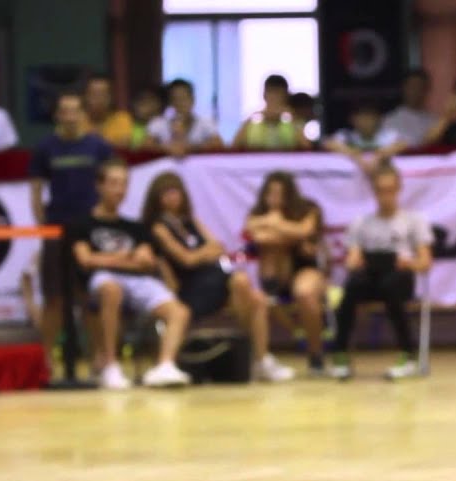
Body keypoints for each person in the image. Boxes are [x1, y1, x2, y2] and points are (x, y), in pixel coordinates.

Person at [141, 172, 294, 382]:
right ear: (156, 197)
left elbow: (219, 247)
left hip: (214, 279)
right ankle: (252, 350)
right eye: (166, 194)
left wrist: (201, 255)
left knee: (255, 296)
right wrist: (203, 254)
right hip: (190, 287)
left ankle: (261, 359)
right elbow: (185, 260)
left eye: (175, 192)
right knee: (241, 283)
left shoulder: (190, 220)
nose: (172, 198)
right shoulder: (159, 227)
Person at [67, 159, 192, 390]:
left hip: (138, 281)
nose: (119, 190)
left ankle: (165, 365)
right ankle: (110, 365)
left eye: (124, 184)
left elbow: (145, 262)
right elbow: (85, 260)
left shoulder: (136, 227)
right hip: (101, 281)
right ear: (100, 186)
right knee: (111, 289)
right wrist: (126, 257)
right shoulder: (82, 224)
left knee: (179, 311)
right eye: (114, 183)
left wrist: (108, 258)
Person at [29, 91, 114, 369]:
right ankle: (44, 358)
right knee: (53, 297)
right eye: (64, 111)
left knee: (91, 296)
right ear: (57, 115)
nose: (69, 116)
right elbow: (36, 189)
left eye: (75, 110)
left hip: (89, 230)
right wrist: (42, 223)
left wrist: (102, 219)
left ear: (83, 114)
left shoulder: (98, 147)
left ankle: (100, 357)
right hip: (56, 229)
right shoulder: (45, 148)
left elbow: (111, 183)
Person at [329, 164, 432, 381]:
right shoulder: (362, 223)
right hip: (371, 276)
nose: (385, 196)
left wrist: (408, 263)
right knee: (350, 288)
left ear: (398, 189)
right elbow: (351, 259)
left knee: (392, 287)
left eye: (390, 190)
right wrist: (355, 261)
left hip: (400, 276)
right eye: (380, 190)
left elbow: (425, 262)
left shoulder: (413, 221)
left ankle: (408, 355)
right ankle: (340, 354)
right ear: (374, 192)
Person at [243, 172, 327, 374]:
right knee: (256, 294)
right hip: (274, 274)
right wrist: (291, 233)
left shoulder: (309, 208)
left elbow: (305, 230)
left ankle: (315, 354)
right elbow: (257, 235)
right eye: (271, 192)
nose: (275, 197)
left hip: (305, 269)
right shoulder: (257, 212)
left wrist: (275, 223)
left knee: (305, 293)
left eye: (280, 193)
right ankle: (262, 358)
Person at [232, 75, 312, 150]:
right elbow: (233, 148)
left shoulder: (293, 122)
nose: (275, 99)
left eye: (279, 95)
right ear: (264, 96)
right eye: (272, 94)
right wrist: (253, 118)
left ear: (286, 97)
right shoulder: (251, 123)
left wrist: (293, 118)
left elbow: (308, 149)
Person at [147, 79, 223, 154]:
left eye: (183, 98)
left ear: (192, 100)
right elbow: (146, 146)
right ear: (170, 103)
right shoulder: (158, 123)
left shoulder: (206, 123)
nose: (180, 103)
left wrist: (190, 148)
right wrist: (167, 148)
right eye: (175, 99)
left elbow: (219, 144)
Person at [382, 69, 437, 148]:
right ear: (403, 88)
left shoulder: (433, 119)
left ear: (427, 90)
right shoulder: (390, 120)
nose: (416, 91)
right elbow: (415, 146)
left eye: (421, 87)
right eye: (412, 86)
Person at [83, 73, 135, 148]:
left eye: (103, 94)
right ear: (85, 96)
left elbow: (123, 146)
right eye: (94, 94)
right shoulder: (76, 119)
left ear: (111, 97)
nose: (98, 99)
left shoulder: (122, 118)